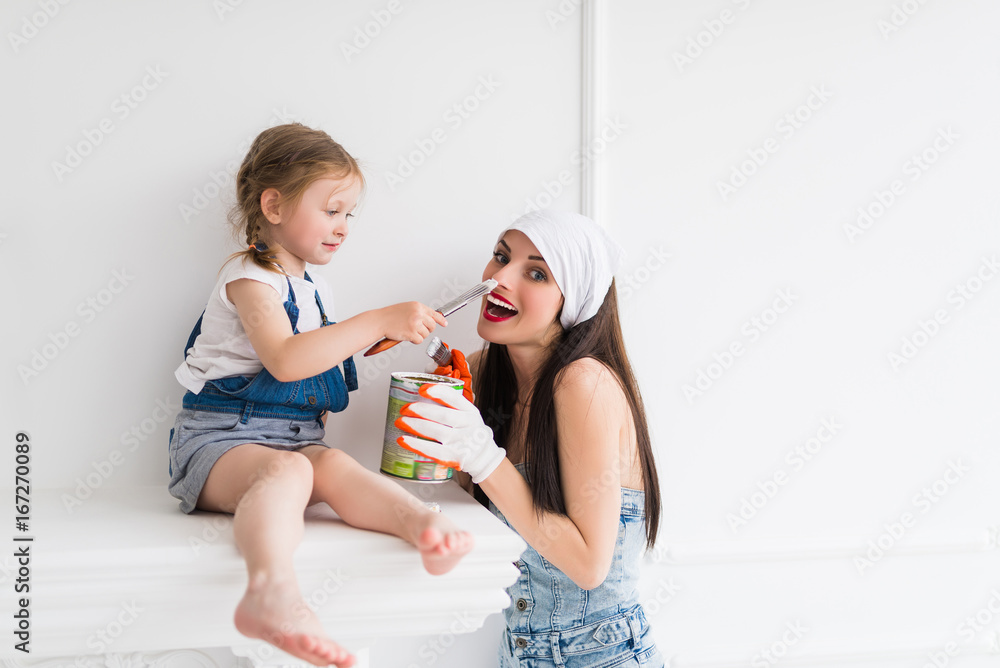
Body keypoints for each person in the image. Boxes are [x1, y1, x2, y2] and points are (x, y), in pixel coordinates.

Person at [167, 122, 473, 668]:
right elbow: (285, 360)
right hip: (219, 441)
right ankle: (270, 593)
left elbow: (318, 358)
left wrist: (372, 333)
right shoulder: (247, 279)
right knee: (292, 473)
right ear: (275, 206)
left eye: (349, 214)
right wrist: (375, 318)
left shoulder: (313, 289)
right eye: (332, 210)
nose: (344, 227)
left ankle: (420, 524)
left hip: (294, 441)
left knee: (333, 466)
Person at [397, 210, 665, 667]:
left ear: (572, 299)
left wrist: (481, 455)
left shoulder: (584, 383)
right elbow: (475, 526)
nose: (498, 278)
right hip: (517, 653)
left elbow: (588, 566)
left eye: (536, 273)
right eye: (501, 257)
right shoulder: (482, 372)